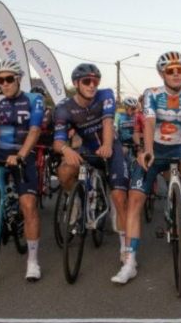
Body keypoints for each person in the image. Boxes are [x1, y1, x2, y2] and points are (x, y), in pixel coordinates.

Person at [112, 51, 181, 285]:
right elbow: (148, 122)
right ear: (162, 74)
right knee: (135, 200)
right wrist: (147, 150)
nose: (176, 74)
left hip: (179, 147)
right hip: (155, 150)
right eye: (170, 71)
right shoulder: (152, 94)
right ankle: (129, 263)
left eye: (180, 70)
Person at [52, 64, 130, 265]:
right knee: (64, 170)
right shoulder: (64, 108)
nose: (92, 85)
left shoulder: (105, 95)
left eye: (95, 81)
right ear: (76, 83)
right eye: (87, 81)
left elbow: (107, 122)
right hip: (87, 149)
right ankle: (75, 201)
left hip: (110, 146)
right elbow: (58, 141)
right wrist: (66, 150)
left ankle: (125, 247)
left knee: (119, 197)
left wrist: (107, 145)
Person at [0, 60, 44, 281]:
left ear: (18, 79)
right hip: (1, 151)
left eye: (9, 79)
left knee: (28, 205)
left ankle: (32, 261)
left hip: (24, 153)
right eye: (0, 80)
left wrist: (21, 155)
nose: (4, 84)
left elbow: (34, 130)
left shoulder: (34, 99)